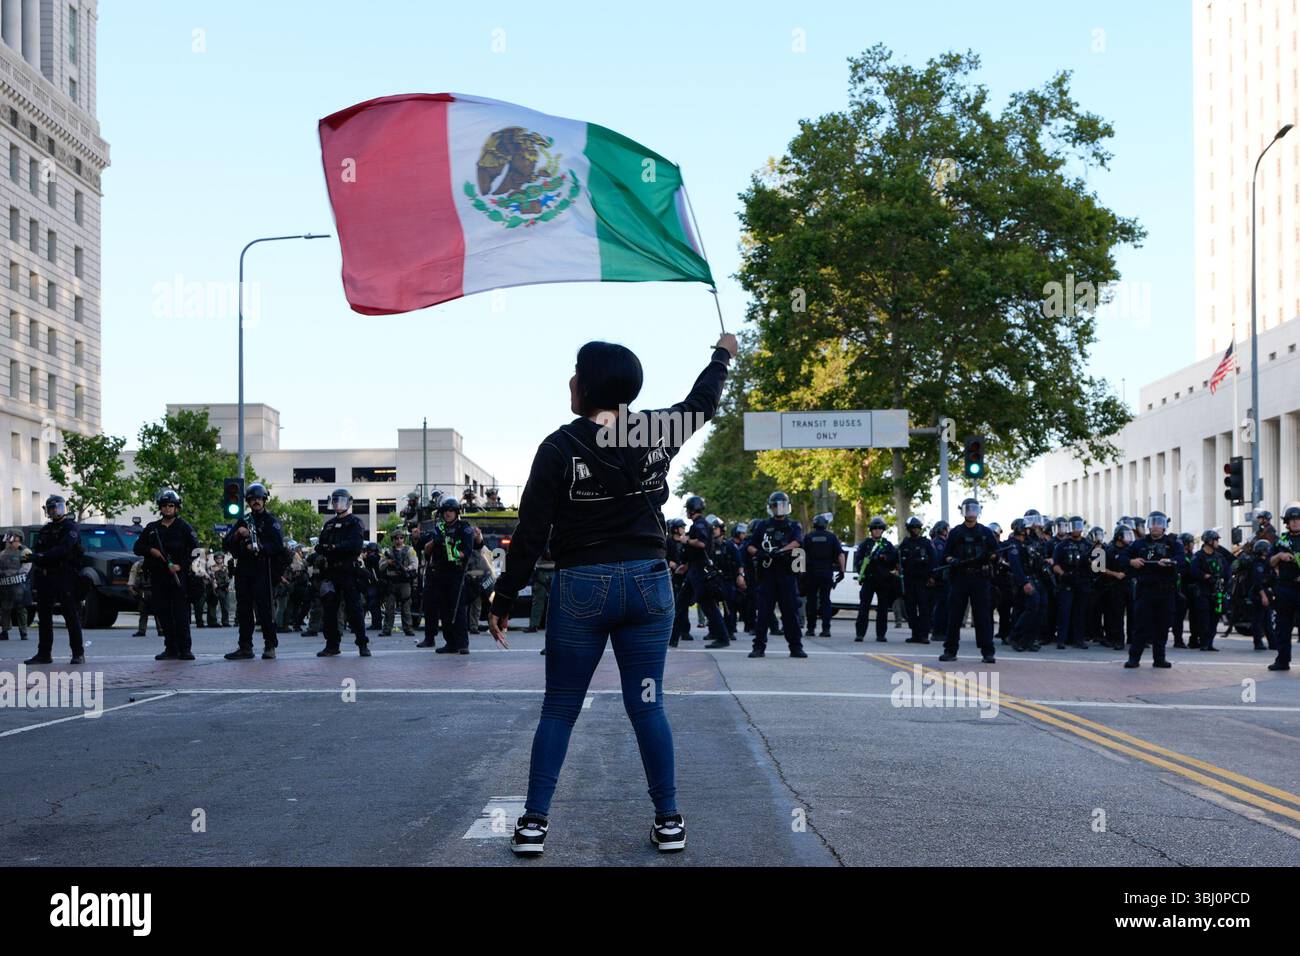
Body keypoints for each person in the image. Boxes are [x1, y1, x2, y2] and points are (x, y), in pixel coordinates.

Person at [487, 333, 736, 856]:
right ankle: (669, 821)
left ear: (585, 386)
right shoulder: (655, 429)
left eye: (575, 372)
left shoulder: (557, 446)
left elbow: (531, 532)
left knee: (559, 708)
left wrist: (506, 597)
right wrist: (722, 355)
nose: (571, 381)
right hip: (648, 584)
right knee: (648, 704)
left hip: (583, 585)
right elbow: (704, 401)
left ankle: (533, 824)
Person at [221, 482, 285, 660]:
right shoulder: (243, 521)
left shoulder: (271, 522)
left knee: (265, 610)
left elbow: (278, 546)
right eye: (252, 499)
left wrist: (258, 545)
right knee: (243, 610)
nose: (256, 502)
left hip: (263, 569)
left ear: (264, 500)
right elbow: (226, 543)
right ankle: (245, 647)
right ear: (248, 502)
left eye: (259, 498)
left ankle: (270, 645)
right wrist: (237, 535)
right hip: (244, 570)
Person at [134, 489, 199, 662]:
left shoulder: (184, 527)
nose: (167, 509)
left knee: (181, 614)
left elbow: (195, 550)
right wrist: (151, 550)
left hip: (178, 577)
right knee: (163, 613)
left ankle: (185, 648)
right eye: (164, 506)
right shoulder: (152, 528)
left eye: (171, 505)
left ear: (176, 508)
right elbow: (137, 547)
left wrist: (180, 566)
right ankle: (170, 647)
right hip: (158, 576)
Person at [24, 497, 87, 665]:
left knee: (70, 615)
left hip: (64, 575)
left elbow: (64, 549)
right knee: (44, 617)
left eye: (57, 508)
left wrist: (42, 556)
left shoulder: (70, 527)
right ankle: (44, 653)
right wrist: (34, 557)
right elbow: (38, 549)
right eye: (51, 508)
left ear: (64, 508)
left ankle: (78, 653)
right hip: (45, 577)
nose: (54, 511)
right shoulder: (46, 530)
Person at [746, 491, 807, 659]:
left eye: (782, 505)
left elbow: (797, 542)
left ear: (787, 507)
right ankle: (759, 647)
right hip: (767, 575)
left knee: (790, 612)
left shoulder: (793, 525)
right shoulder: (763, 525)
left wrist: (780, 551)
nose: (779, 509)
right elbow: (750, 546)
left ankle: (796, 647)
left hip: (786, 574)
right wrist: (760, 553)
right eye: (776, 505)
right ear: (770, 507)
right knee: (764, 613)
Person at [939, 498, 998, 664]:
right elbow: (945, 555)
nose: (971, 513)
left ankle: (988, 652)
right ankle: (950, 650)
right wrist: (952, 561)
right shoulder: (956, 532)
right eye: (968, 509)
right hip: (960, 578)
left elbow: (996, 553)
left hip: (980, 578)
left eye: (974, 509)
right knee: (955, 616)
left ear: (978, 511)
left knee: (983, 617)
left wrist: (989, 557)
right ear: (963, 511)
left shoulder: (986, 532)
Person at [1123, 511, 1185, 669]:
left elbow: (1182, 560)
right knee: (1141, 626)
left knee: (1163, 626)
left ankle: (1159, 658)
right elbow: (1122, 557)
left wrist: (1170, 561)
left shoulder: (1173, 543)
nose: (1156, 526)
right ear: (1149, 525)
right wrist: (1132, 561)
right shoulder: (1139, 543)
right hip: (1146, 590)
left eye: (1159, 523)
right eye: (1153, 523)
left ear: (1164, 526)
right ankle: (1134, 658)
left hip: (1166, 590)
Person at [314, 488, 370, 657]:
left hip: (348, 571)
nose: (338, 504)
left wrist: (333, 548)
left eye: (342, 500)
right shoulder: (329, 524)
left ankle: (362, 644)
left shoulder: (355, 522)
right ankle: (332, 645)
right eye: (336, 500)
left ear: (349, 503)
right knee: (329, 610)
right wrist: (327, 549)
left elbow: (354, 545)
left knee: (354, 610)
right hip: (330, 572)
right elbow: (320, 545)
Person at [427, 496, 476, 653]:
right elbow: (427, 549)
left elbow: (467, 551)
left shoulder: (464, 528)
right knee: (444, 610)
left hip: (457, 572)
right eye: (445, 511)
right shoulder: (438, 528)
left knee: (458, 609)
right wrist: (433, 542)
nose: (447, 514)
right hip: (441, 573)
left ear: (456, 512)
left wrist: (453, 553)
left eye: (451, 511)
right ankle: (450, 643)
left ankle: (462, 644)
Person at [681, 496, 730, 649]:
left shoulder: (700, 525)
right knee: (681, 602)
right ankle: (673, 637)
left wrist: (687, 541)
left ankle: (723, 637)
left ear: (691, 509)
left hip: (699, 571)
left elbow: (701, 543)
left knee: (707, 605)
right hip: (694, 569)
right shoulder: (702, 524)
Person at [853, 517, 898, 643]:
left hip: (883, 581)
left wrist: (884, 558)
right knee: (863, 608)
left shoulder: (887, 545)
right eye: (875, 528)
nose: (877, 531)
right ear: (871, 530)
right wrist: (866, 561)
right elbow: (858, 562)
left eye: (879, 528)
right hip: (869, 579)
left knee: (883, 609)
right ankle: (860, 634)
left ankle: (881, 634)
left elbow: (894, 561)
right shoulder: (865, 544)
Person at [1266, 506, 1300, 671]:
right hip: (1285, 588)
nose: (1295, 522)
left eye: (1298, 519)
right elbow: (1270, 562)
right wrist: (1280, 556)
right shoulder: (1280, 541)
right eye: (1292, 519)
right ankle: (1282, 660)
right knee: (1282, 627)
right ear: (1287, 523)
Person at [1051, 516, 1091, 649]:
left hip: (1083, 582)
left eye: (1079, 526)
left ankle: (1078, 640)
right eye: (1074, 526)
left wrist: (1094, 560)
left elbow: (1099, 566)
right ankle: (1061, 639)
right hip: (1067, 582)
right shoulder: (1062, 545)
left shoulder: (1088, 545)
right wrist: (1063, 574)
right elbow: (1055, 565)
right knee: (1065, 611)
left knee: (1081, 612)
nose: (1077, 529)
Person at [803, 513, 844, 638]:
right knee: (825, 600)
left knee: (811, 601)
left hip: (811, 573)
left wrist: (799, 572)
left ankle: (810, 629)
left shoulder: (808, 537)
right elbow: (840, 555)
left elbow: (799, 554)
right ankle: (826, 629)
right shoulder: (832, 537)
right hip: (826, 572)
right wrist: (841, 571)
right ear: (825, 525)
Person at [1005, 518, 1042, 652]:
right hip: (1023, 582)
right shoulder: (1014, 546)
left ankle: (1028, 640)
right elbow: (1016, 567)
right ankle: (1016, 636)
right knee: (1030, 608)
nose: (1029, 531)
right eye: (1026, 529)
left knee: (1035, 610)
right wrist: (1024, 583)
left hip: (1032, 579)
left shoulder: (1026, 543)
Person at [896, 517, 935, 644]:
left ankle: (924, 635)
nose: (915, 530)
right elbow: (897, 558)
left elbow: (934, 560)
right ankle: (915, 633)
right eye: (913, 528)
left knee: (924, 608)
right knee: (910, 609)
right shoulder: (905, 543)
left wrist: (932, 577)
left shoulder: (926, 543)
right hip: (908, 581)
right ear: (908, 529)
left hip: (923, 581)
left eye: (917, 528)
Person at [1190, 530, 1229, 653]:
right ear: (1209, 541)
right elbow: (1194, 571)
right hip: (1203, 592)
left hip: (1217, 592)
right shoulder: (1199, 556)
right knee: (1204, 618)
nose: (1218, 542)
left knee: (1215, 618)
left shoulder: (1220, 556)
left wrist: (1225, 585)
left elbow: (1227, 572)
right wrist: (1205, 576)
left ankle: (1210, 642)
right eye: (1216, 540)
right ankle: (1204, 643)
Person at [379, 528, 419, 636]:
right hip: (392, 581)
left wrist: (407, 569)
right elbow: (381, 566)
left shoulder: (410, 550)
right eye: (396, 538)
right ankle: (387, 629)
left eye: (401, 538)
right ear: (393, 539)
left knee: (406, 606)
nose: (399, 540)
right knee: (389, 608)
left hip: (404, 582)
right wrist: (388, 562)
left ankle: (408, 628)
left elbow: (415, 564)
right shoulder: (388, 552)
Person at [0, 531, 30, 641]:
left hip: (18, 584)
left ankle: (23, 632)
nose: (9, 542)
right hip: (5, 584)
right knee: (5, 609)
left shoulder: (26, 552)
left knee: (20, 608)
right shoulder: (3, 553)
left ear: (19, 539)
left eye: (12, 540)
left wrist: (14, 575)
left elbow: (26, 568)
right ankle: (5, 631)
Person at [927, 520, 950, 642]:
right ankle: (938, 631)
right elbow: (940, 560)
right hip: (941, 579)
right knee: (942, 606)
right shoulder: (939, 544)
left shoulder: (936, 543)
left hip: (940, 578)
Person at [525, 545, 555, 634]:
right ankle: (557, 626)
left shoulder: (540, 536)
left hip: (541, 572)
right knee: (556, 602)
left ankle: (534, 625)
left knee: (538, 601)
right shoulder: (558, 535)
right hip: (554, 571)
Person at [210, 553, 232, 627]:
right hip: (216, 588)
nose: (219, 559)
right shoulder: (212, 568)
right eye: (217, 558)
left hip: (224, 588)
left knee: (225, 606)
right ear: (215, 559)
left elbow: (228, 577)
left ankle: (225, 622)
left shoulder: (225, 567)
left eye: (221, 558)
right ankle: (213, 622)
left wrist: (228, 586)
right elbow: (211, 577)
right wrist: (214, 586)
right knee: (213, 605)